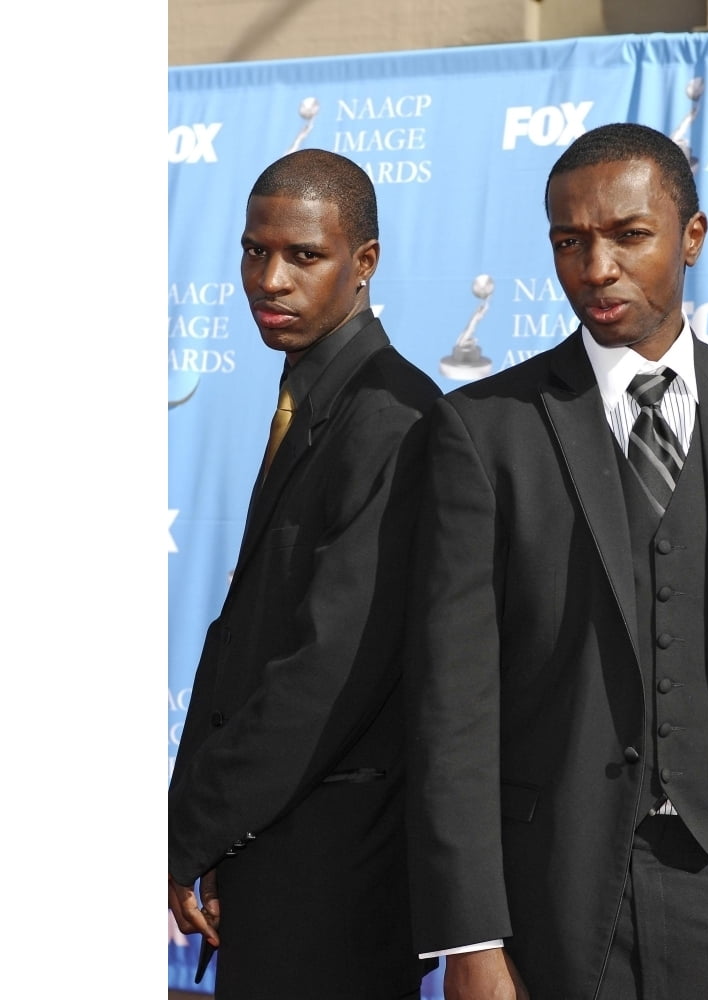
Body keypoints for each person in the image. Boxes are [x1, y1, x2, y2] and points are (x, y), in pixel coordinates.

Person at [404, 123, 708, 1000]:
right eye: (569, 242)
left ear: (692, 236)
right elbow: (453, 696)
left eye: (629, 235)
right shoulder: (483, 430)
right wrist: (470, 935)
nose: (596, 268)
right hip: (548, 900)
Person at [168, 148, 440, 999]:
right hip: (270, 858)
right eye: (255, 251)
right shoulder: (316, 393)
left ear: (364, 262)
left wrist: (186, 833)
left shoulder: (394, 417)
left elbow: (327, 671)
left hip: (337, 884)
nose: (270, 279)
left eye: (303, 255)